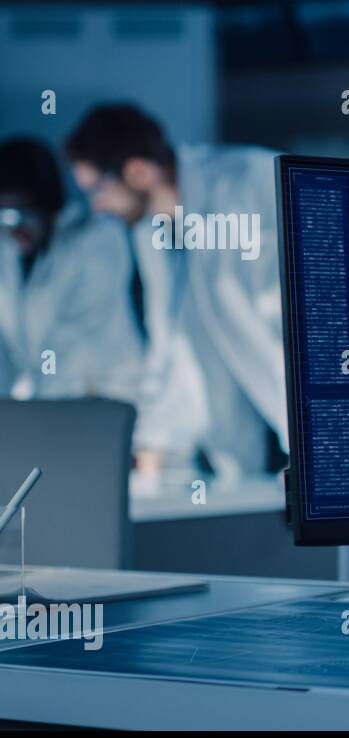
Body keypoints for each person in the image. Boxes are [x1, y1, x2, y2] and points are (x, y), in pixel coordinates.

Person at [65, 105, 286, 476]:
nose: (96, 207)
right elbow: (173, 344)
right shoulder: (152, 233)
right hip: (251, 441)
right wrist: (156, 438)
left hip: (323, 404)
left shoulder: (252, 178)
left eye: (97, 189)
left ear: (137, 171)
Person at [0, 137, 142, 402]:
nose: (14, 230)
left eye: (23, 214)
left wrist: (27, 403)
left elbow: (72, 341)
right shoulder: (7, 253)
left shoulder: (97, 240)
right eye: (3, 216)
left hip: (103, 396)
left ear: (50, 207)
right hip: (46, 406)